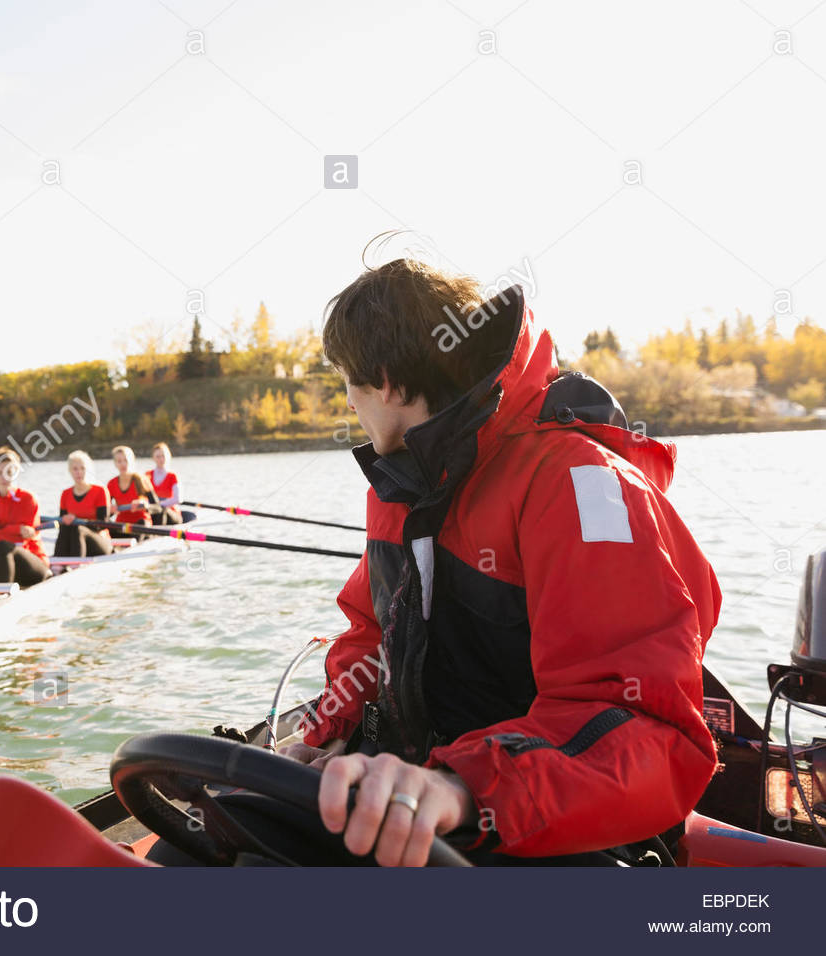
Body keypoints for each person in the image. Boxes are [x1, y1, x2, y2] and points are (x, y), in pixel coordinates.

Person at [149, 256, 721, 867]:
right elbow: (374, 635)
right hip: (416, 800)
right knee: (211, 844)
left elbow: (643, 726)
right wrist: (329, 738)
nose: (348, 404)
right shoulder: (401, 483)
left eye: (349, 381)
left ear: (389, 382)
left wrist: (462, 788)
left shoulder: (583, 485)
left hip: (551, 832)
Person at [0, 446, 51, 588]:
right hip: (4, 564)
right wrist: (15, 529)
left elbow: (18, 538)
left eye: (9, 472)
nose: (4, 477)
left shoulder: (28, 498)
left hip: (34, 567)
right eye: (0, 472)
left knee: (2, 546)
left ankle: (2, 594)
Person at [54, 450, 113, 558]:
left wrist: (79, 521)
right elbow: (62, 525)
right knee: (66, 527)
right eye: (75, 469)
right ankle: (57, 566)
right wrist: (64, 520)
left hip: (99, 542)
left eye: (82, 468)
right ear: (70, 471)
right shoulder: (65, 494)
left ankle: (75, 565)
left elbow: (102, 524)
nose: (79, 472)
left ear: (88, 470)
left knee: (78, 528)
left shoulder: (100, 491)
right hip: (75, 542)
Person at [106, 445, 159, 535]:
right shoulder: (111, 484)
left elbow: (158, 508)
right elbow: (106, 514)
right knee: (107, 524)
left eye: (126, 460)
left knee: (142, 524)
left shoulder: (142, 480)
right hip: (122, 525)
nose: (123, 464)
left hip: (141, 523)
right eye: (119, 461)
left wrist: (146, 506)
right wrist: (110, 510)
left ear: (132, 461)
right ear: (115, 464)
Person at [145, 442, 184, 525]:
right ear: (153, 458)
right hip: (154, 511)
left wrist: (159, 505)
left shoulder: (173, 476)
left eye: (163, 456)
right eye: (158, 456)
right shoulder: (147, 475)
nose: (161, 459)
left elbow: (178, 499)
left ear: (168, 457)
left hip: (172, 513)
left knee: (162, 510)